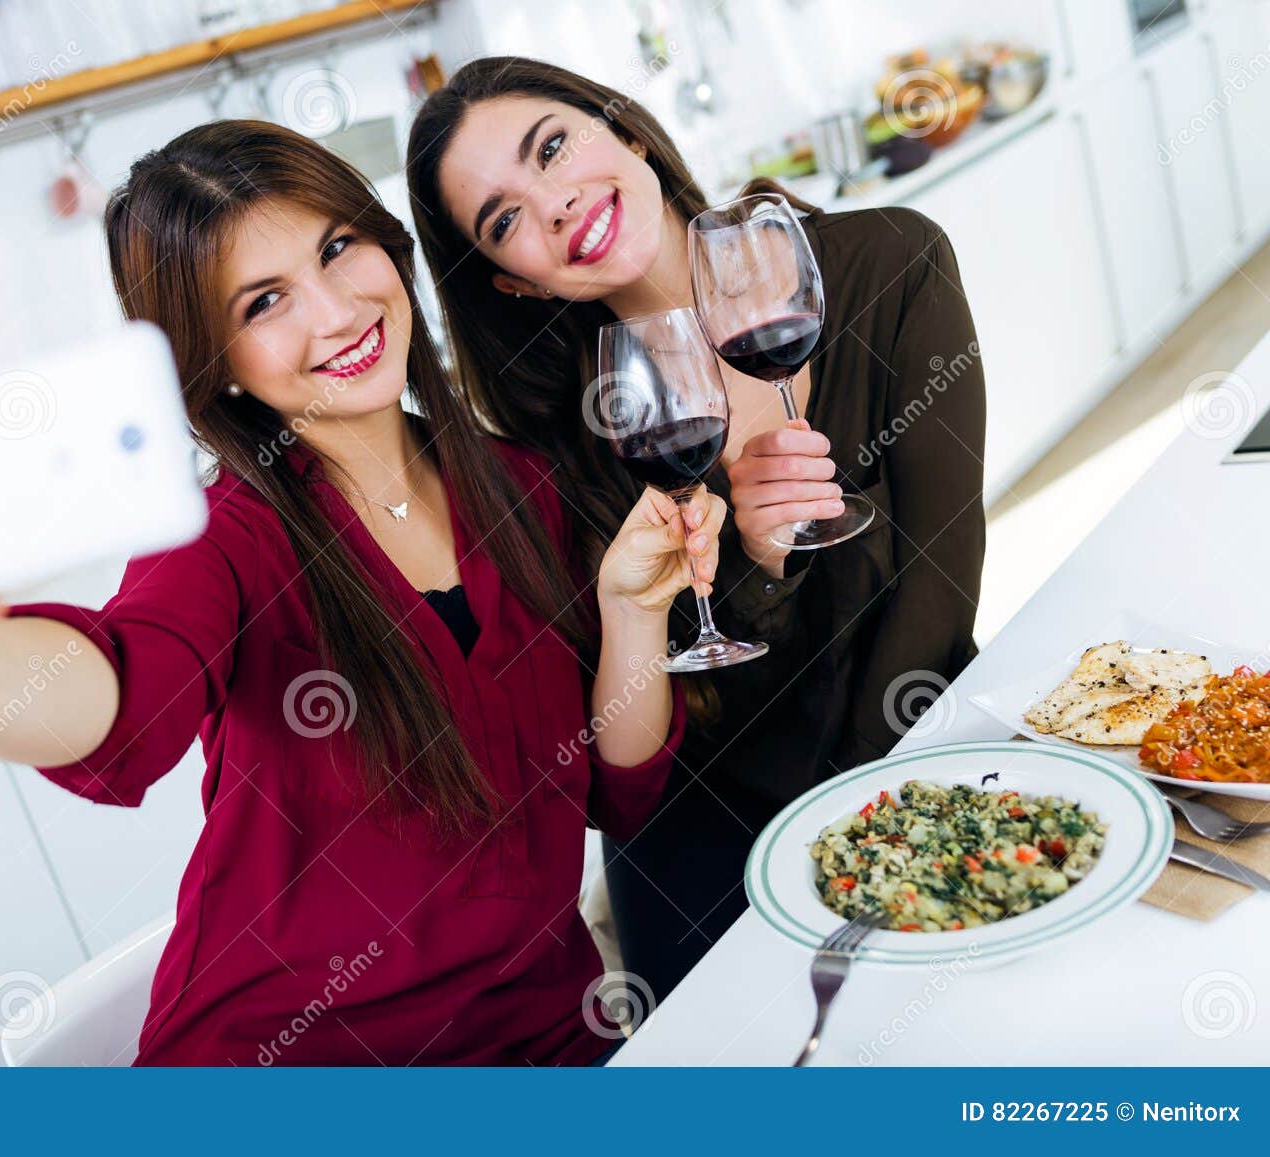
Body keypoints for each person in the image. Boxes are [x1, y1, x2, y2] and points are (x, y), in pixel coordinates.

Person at [0, 121, 728, 1065]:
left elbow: (615, 788)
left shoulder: (522, 485)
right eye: (263, 302)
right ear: (210, 360)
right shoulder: (225, 541)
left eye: (338, 248)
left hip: (551, 1046)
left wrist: (635, 613)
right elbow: (118, 699)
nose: (337, 312)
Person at [407, 57, 986, 1000]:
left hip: (906, 740)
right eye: (505, 219)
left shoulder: (891, 263)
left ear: (627, 131)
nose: (553, 204)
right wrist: (757, 563)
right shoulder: (559, 449)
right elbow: (679, 717)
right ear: (514, 284)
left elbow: (946, 574)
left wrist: (853, 823)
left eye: (553, 147)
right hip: (710, 824)